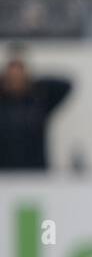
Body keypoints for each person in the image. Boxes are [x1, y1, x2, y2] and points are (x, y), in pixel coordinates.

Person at [0, 43, 73, 172]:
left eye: (20, 70)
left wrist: (32, 83)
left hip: (35, 173)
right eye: (12, 71)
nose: (16, 76)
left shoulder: (39, 100)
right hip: (4, 173)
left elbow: (66, 85)